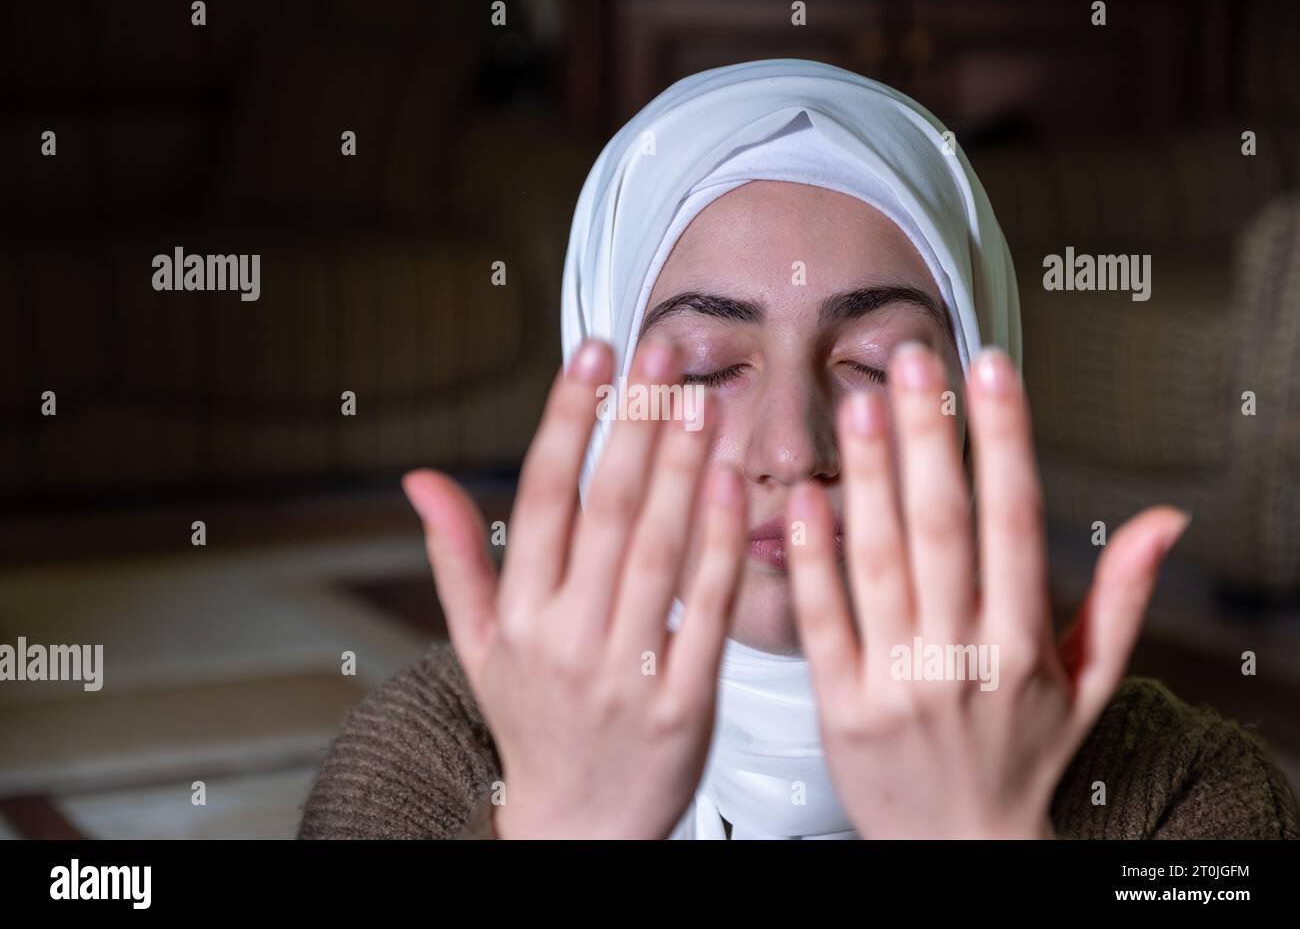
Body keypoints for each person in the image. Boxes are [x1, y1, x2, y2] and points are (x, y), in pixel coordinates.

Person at [299, 60, 1299, 840]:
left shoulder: (1186, 789)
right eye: (700, 369)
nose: (791, 447)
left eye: (876, 362)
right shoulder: (427, 755)